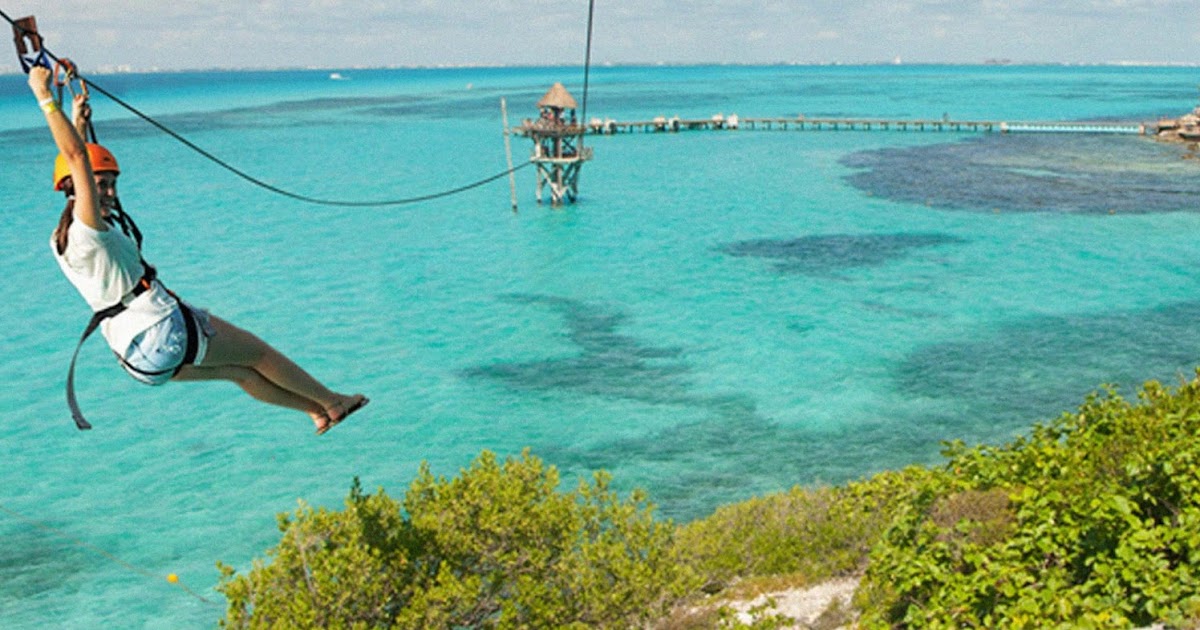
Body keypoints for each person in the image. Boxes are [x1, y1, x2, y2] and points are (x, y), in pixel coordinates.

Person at [28, 66, 367, 434]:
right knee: (260, 354)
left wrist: (77, 120)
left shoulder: (61, 239)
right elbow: (77, 161)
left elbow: (77, 169)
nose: (109, 192)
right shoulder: (89, 230)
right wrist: (44, 96)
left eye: (111, 184)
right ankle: (333, 400)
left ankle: (316, 412)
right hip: (160, 328)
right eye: (102, 186)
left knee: (240, 372)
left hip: (137, 358)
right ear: (80, 191)